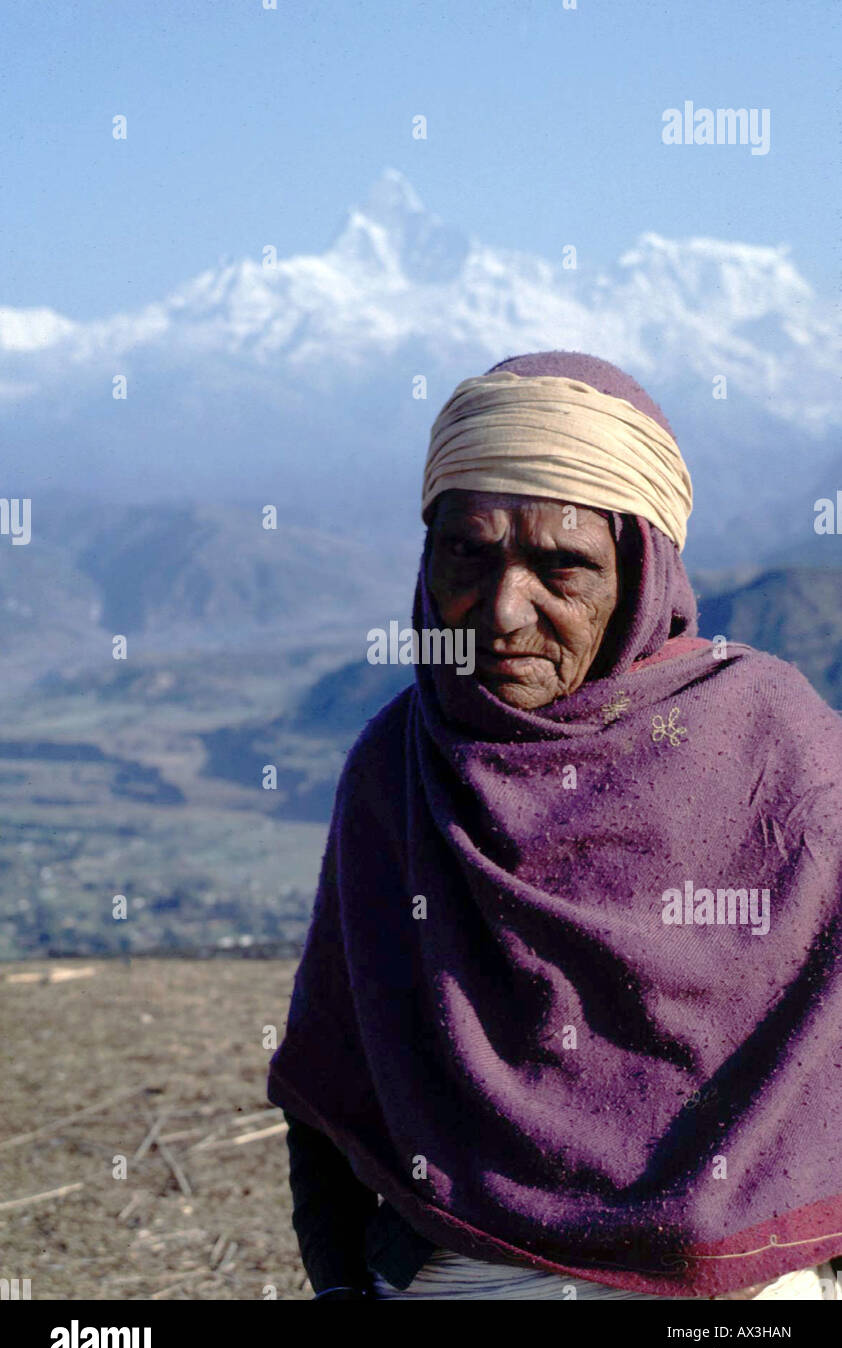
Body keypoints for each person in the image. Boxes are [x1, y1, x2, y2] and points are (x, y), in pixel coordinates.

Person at [269, 351, 842, 1300]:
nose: (502, 610)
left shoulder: (777, 753)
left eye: (562, 566)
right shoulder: (401, 768)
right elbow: (333, 1091)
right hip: (462, 1274)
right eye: (469, 552)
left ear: (640, 571)